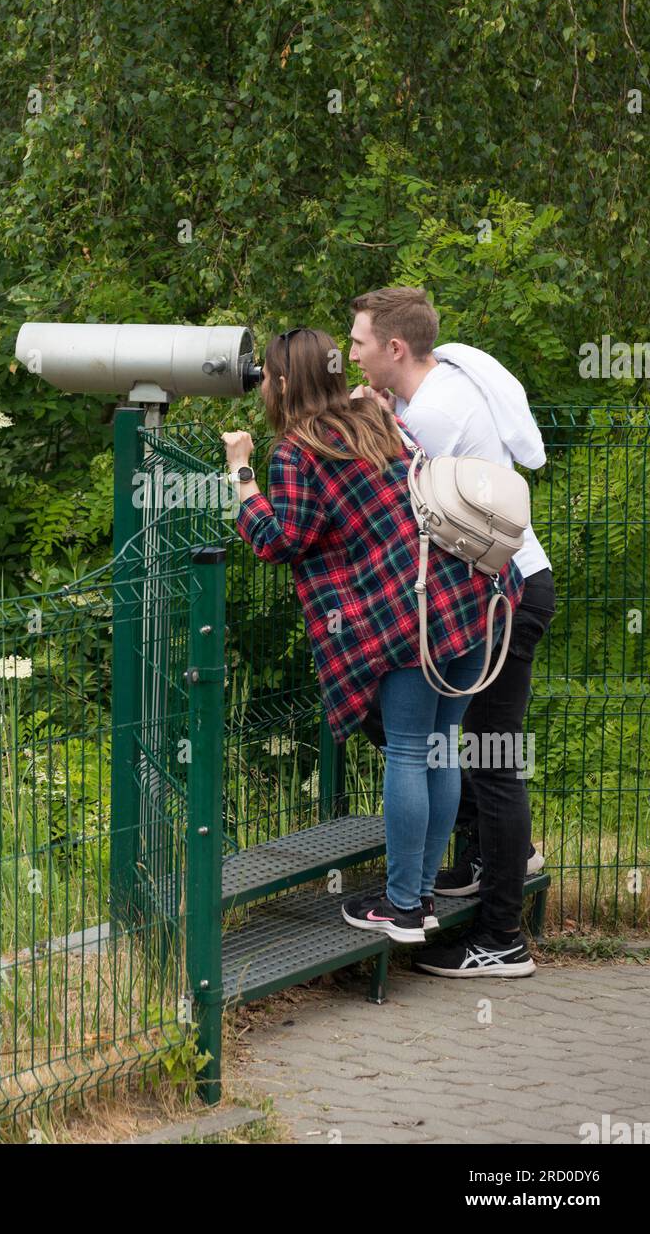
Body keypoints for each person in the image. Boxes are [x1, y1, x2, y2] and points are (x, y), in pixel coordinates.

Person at [223, 326, 523, 946]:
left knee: (412, 751)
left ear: (282, 384)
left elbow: (282, 541)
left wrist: (243, 474)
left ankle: (405, 905)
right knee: (440, 745)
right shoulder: (377, 420)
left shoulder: (297, 451)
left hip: (412, 620)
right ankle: (420, 894)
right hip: (473, 602)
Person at [348, 285, 556, 977]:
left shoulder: (431, 413)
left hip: (501, 595)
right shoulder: (439, 388)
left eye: (359, 343)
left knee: (490, 761)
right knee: (443, 744)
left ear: (394, 348)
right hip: (500, 587)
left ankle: (502, 937)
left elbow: (378, 496)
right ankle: (485, 854)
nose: (351, 354)